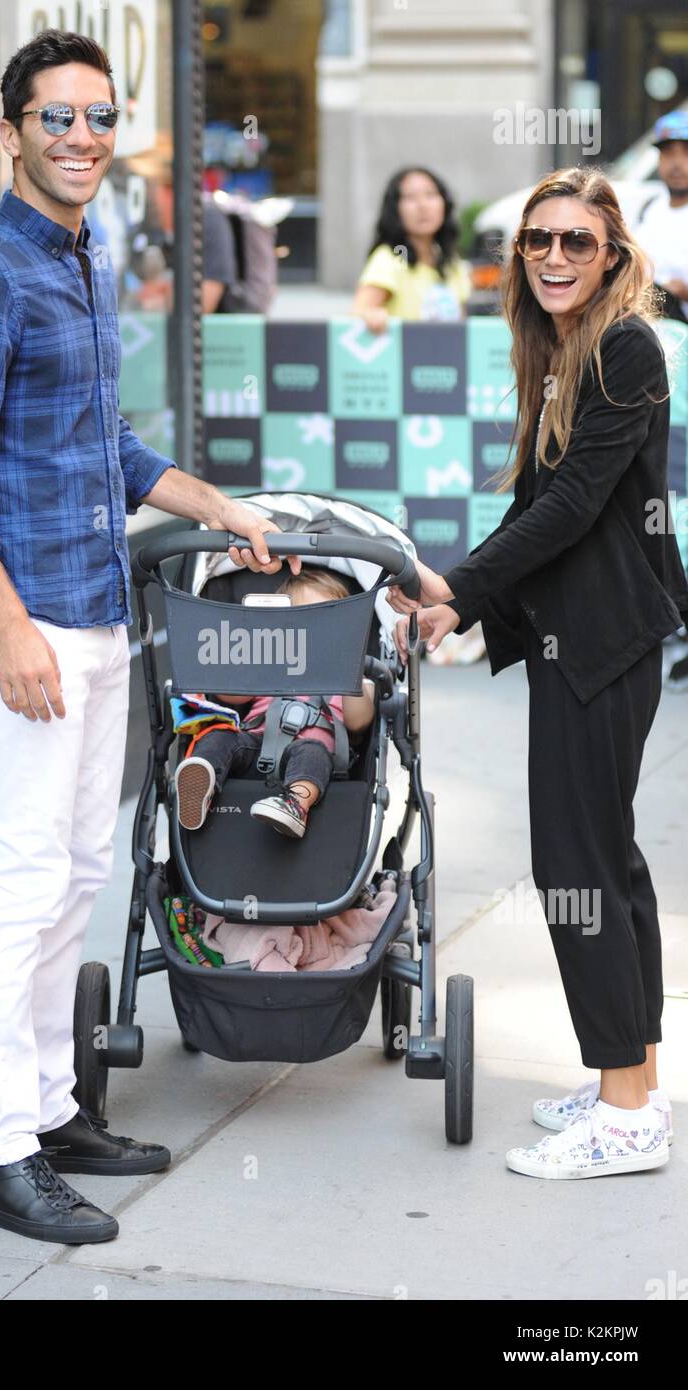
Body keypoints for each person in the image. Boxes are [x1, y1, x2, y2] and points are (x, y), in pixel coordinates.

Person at [0, 28, 300, 1247]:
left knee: (75, 879)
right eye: (57, 117)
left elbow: (109, 452)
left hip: (93, 619)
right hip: (29, 635)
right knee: (21, 889)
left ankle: (49, 1110)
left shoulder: (78, 261)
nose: (81, 136)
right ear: (11, 129)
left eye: (98, 116)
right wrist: (7, 625)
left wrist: (222, 507)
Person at [388, 166, 688, 1181]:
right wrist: (452, 599)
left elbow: (570, 515)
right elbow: (535, 505)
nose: (554, 257)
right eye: (538, 241)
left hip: (603, 644)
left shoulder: (625, 347)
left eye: (576, 242)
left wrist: (457, 585)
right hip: (585, 639)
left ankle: (626, 1113)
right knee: (608, 862)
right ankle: (629, 1078)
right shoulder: (563, 350)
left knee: (579, 874)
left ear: (611, 254)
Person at [173, 568, 375, 840]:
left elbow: (358, 721)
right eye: (301, 622)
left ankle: (295, 804)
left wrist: (350, 671)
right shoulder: (270, 660)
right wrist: (247, 658)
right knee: (222, 736)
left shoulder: (349, 672)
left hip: (311, 753)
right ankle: (200, 781)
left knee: (312, 753)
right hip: (255, 744)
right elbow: (231, 696)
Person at [351, 166, 470, 331]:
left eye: (430, 195)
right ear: (395, 209)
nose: (423, 205)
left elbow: (461, 324)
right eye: (410, 197)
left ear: (444, 203)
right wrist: (371, 315)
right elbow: (358, 313)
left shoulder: (452, 261)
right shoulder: (392, 257)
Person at [631, 110, 688, 324]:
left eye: (685, 152)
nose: (677, 163)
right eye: (668, 153)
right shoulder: (650, 209)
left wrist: (679, 290)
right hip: (647, 331)